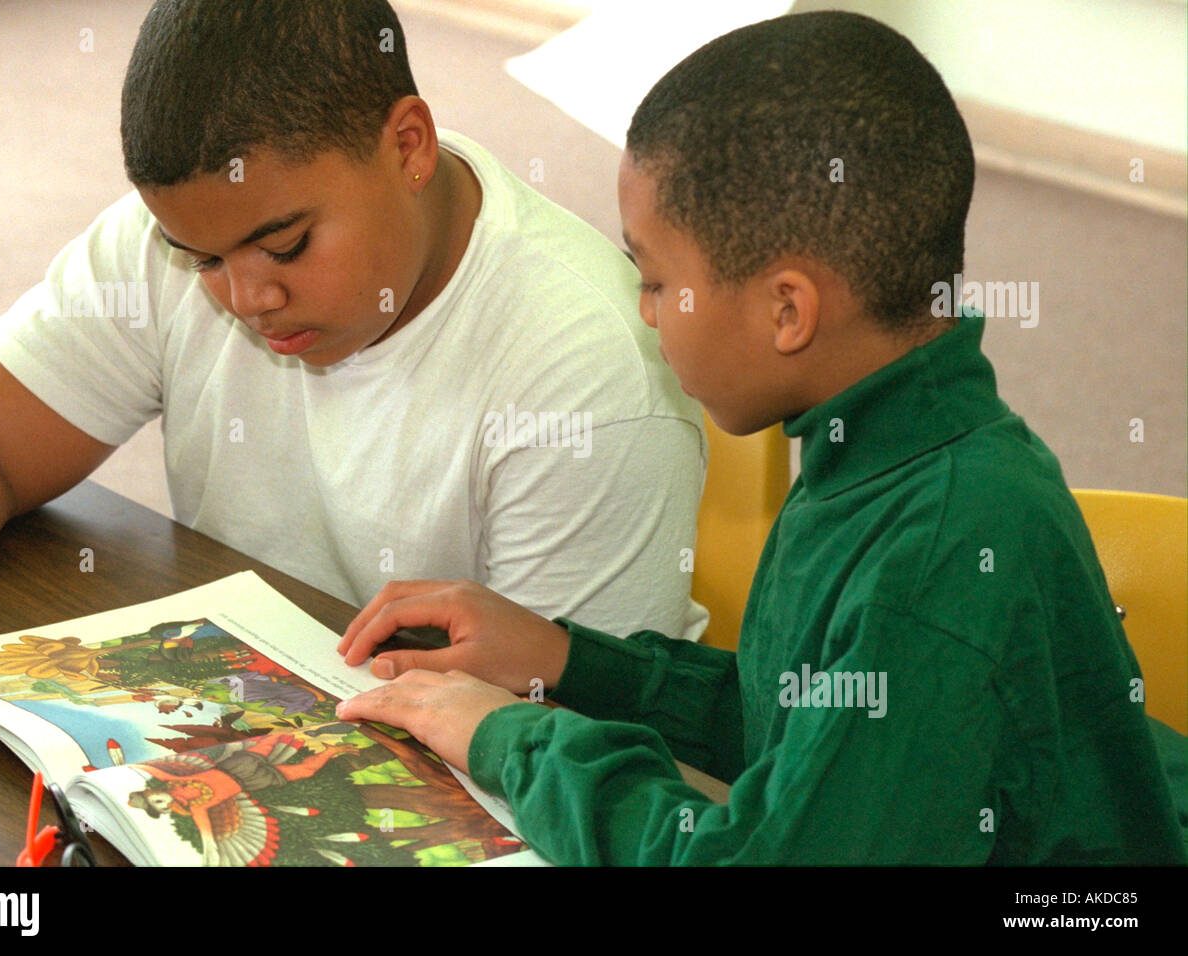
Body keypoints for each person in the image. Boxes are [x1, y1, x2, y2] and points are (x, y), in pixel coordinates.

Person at [334, 11, 1187, 864]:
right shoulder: (870, 447)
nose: (645, 310)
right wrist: (564, 660)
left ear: (787, 310)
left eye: (659, 280)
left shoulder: (934, 558)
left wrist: (512, 739)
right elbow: (795, 721)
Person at [0, 0, 708, 738]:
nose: (248, 296)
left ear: (409, 147)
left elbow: (566, 736)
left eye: (285, 246)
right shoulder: (180, 236)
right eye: (202, 258)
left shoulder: (590, 374)